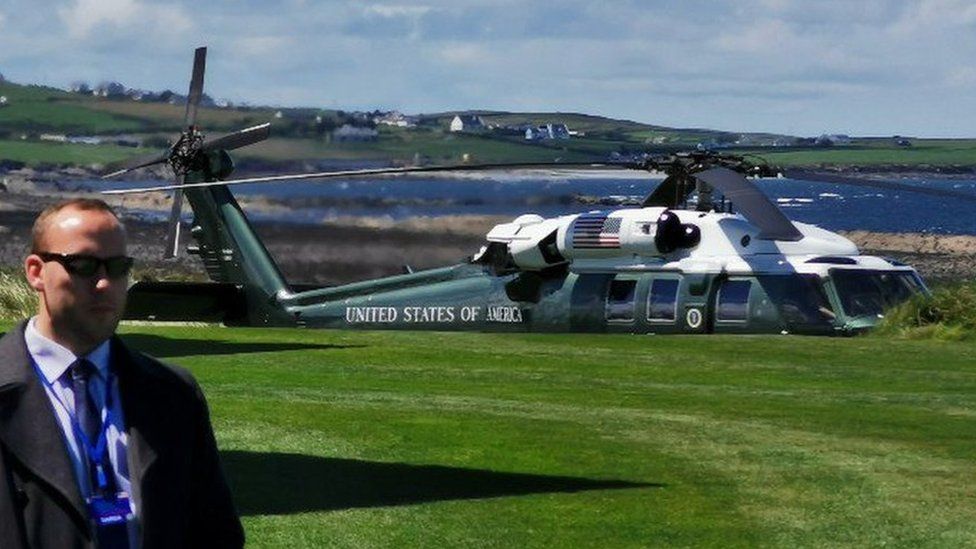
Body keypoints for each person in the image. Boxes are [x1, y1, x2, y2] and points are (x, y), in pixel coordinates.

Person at [0, 198, 244, 548]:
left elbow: (215, 534)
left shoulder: (173, 393)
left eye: (117, 268)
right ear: (36, 272)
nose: (104, 284)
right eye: (83, 265)